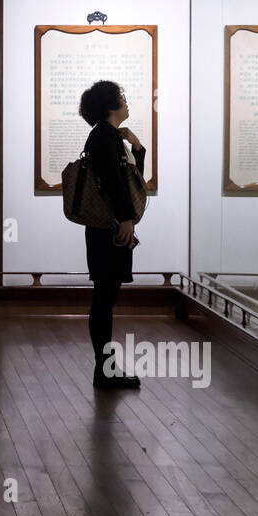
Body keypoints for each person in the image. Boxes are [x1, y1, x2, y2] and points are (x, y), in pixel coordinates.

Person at [79, 80, 144, 390]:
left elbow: (129, 180)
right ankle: (104, 370)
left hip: (109, 227)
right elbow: (115, 185)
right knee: (104, 298)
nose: (126, 101)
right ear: (110, 105)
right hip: (110, 228)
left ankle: (105, 369)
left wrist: (138, 148)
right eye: (122, 97)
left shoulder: (107, 137)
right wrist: (126, 219)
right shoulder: (103, 138)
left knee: (106, 297)